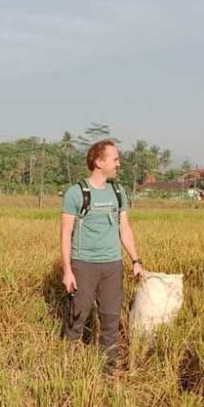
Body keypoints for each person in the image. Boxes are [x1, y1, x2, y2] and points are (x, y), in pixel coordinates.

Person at [60, 140, 145, 366]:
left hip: (112, 265)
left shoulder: (118, 191)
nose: (119, 164)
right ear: (99, 162)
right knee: (77, 316)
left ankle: (109, 368)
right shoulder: (76, 193)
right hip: (84, 264)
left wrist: (135, 260)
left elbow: (124, 228)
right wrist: (68, 271)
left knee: (110, 318)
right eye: (115, 159)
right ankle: (68, 365)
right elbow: (66, 233)